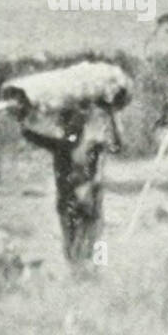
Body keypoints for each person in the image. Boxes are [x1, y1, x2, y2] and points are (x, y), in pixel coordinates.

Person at [20, 104, 121, 266]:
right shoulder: (76, 146)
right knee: (89, 239)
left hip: (81, 200)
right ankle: (91, 272)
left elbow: (116, 147)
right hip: (77, 201)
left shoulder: (73, 146)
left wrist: (22, 116)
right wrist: (111, 116)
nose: (73, 131)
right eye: (71, 126)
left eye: (76, 127)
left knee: (85, 240)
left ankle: (89, 271)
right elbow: (117, 146)